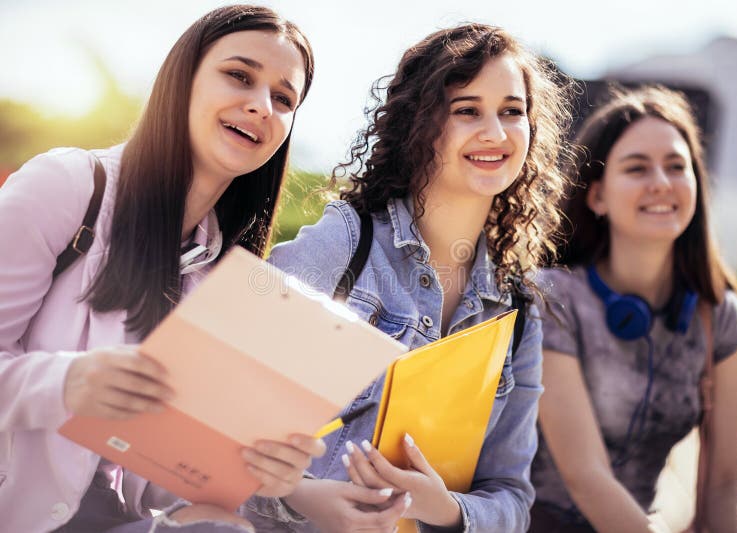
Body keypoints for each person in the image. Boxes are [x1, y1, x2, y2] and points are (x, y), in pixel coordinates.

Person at [0, 5, 331, 532]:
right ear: (184, 80)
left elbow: (155, 482)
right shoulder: (65, 187)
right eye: (239, 76)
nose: (261, 106)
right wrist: (65, 383)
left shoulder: (224, 276)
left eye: (283, 98)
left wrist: (255, 468)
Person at [266, 23, 572, 533]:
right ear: (421, 124)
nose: (495, 133)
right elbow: (220, 421)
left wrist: (444, 509)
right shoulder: (345, 245)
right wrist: (302, 497)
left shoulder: (519, 307)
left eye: (512, 112)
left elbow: (512, 498)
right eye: (467, 110)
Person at [529, 86, 737, 532]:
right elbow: (586, 476)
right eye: (637, 168)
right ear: (596, 197)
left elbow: (729, 482)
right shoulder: (552, 298)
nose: (661, 181)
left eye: (677, 166)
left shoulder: (718, 317)